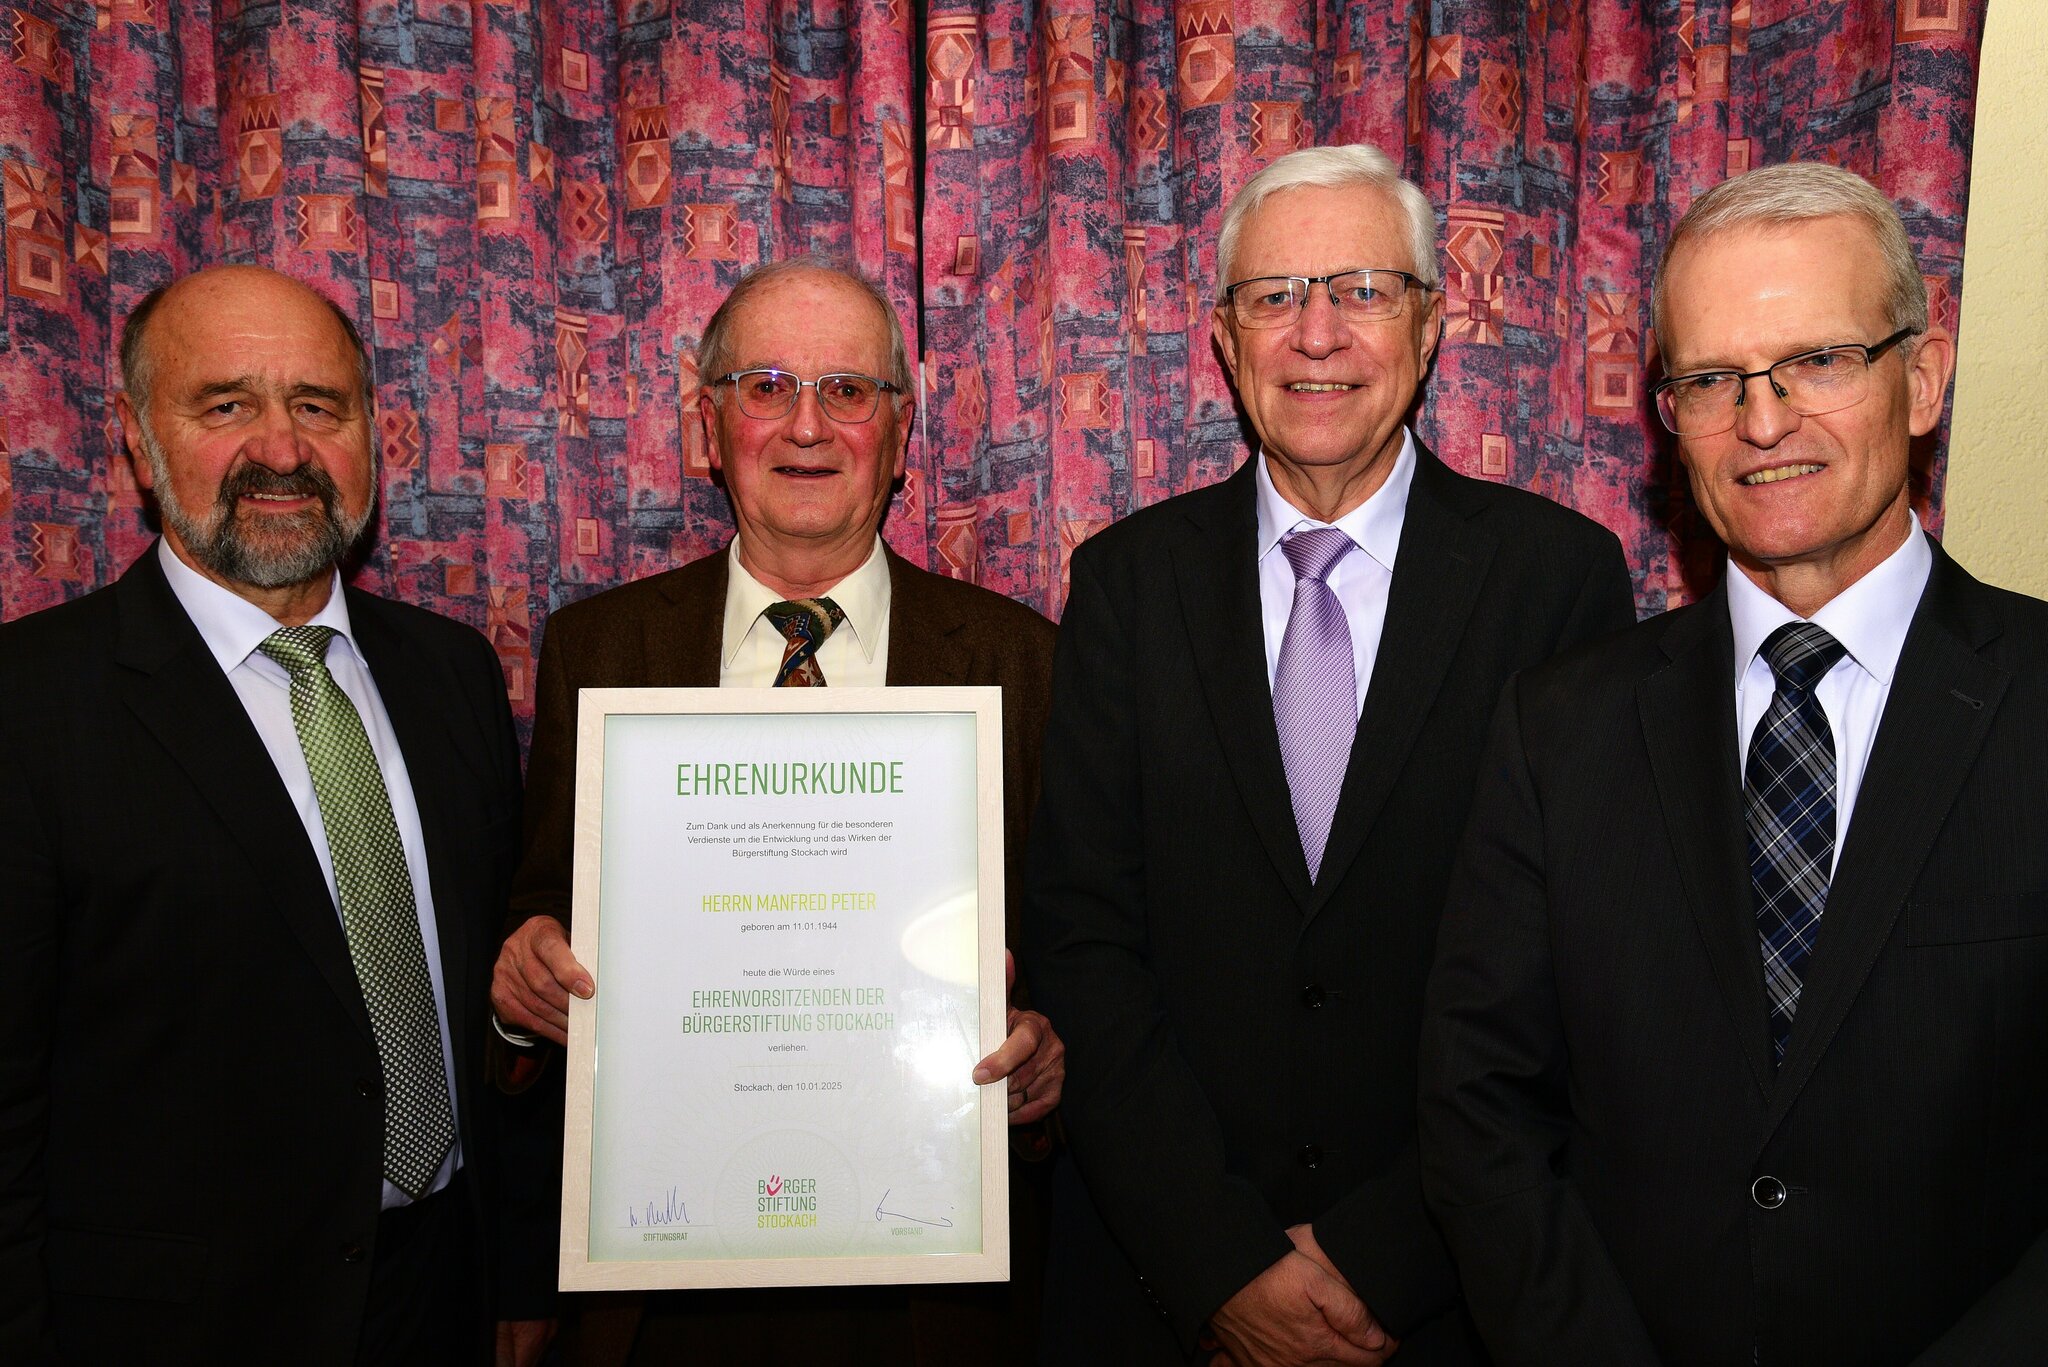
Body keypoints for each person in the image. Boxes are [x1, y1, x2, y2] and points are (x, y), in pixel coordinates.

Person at [1419, 161, 2048, 1366]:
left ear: (1919, 377)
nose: (1760, 422)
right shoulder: (1558, 727)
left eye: (1815, 359)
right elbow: (1480, 1109)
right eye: (1708, 379)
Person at [1019, 143, 1636, 1366]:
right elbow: (1081, 938)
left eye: (1359, 290)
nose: (1315, 335)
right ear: (1221, 338)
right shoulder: (1126, 586)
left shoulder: (1555, 580)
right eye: (1273, 296)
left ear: (1428, 325)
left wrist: (1379, 1257)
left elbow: (1583, 967)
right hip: (1165, 1295)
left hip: (1451, 1292)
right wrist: (1222, 1263)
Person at [488, 258, 1063, 1365]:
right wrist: (522, 989)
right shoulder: (602, 649)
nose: (808, 425)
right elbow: (540, 919)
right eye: (764, 386)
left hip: (931, 1290)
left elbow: (1074, 955)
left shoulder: (1020, 661)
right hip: (661, 1288)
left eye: (849, 390)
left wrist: (1047, 1054)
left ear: (899, 432)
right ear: (708, 425)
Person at [0, 265, 523, 1363]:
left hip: (441, 1298)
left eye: (318, 407)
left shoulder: (453, 674)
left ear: (374, 437)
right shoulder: (31, 705)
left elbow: (489, 1009)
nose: (282, 450)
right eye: (226, 405)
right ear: (137, 441)